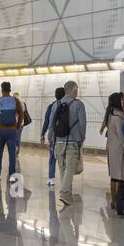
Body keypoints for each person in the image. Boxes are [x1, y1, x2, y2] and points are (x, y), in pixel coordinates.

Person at [48, 80, 87, 210]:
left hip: (58, 140)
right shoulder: (79, 104)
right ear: (73, 90)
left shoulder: (56, 104)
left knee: (62, 168)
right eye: (77, 89)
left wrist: (51, 139)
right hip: (72, 141)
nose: (77, 91)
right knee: (70, 167)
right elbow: (82, 124)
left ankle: (68, 195)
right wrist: (81, 138)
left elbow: (51, 123)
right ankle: (64, 192)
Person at [100, 92, 124, 208]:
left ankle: (114, 201)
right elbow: (122, 136)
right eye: (122, 100)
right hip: (119, 150)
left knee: (114, 175)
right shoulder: (118, 117)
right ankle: (118, 200)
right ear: (117, 101)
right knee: (119, 176)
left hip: (112, 148)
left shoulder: (111, 114)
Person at [0, 81, 27, 181]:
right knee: (12, 153)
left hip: (0, 131)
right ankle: (12, 175)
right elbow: (21, 115)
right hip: (12, 130)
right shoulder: (15, 100)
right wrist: (17, 126)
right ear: (10, 89)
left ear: (2, 89)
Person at [40, 87, 65, 187]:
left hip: (54, 137)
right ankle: (65, 180)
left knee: (52, 158)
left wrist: (43, 134)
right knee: (64, 159)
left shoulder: (52, 106)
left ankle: (51, 179)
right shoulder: (68, 105)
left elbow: (48, 122)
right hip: (66, 137)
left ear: (55, 95)